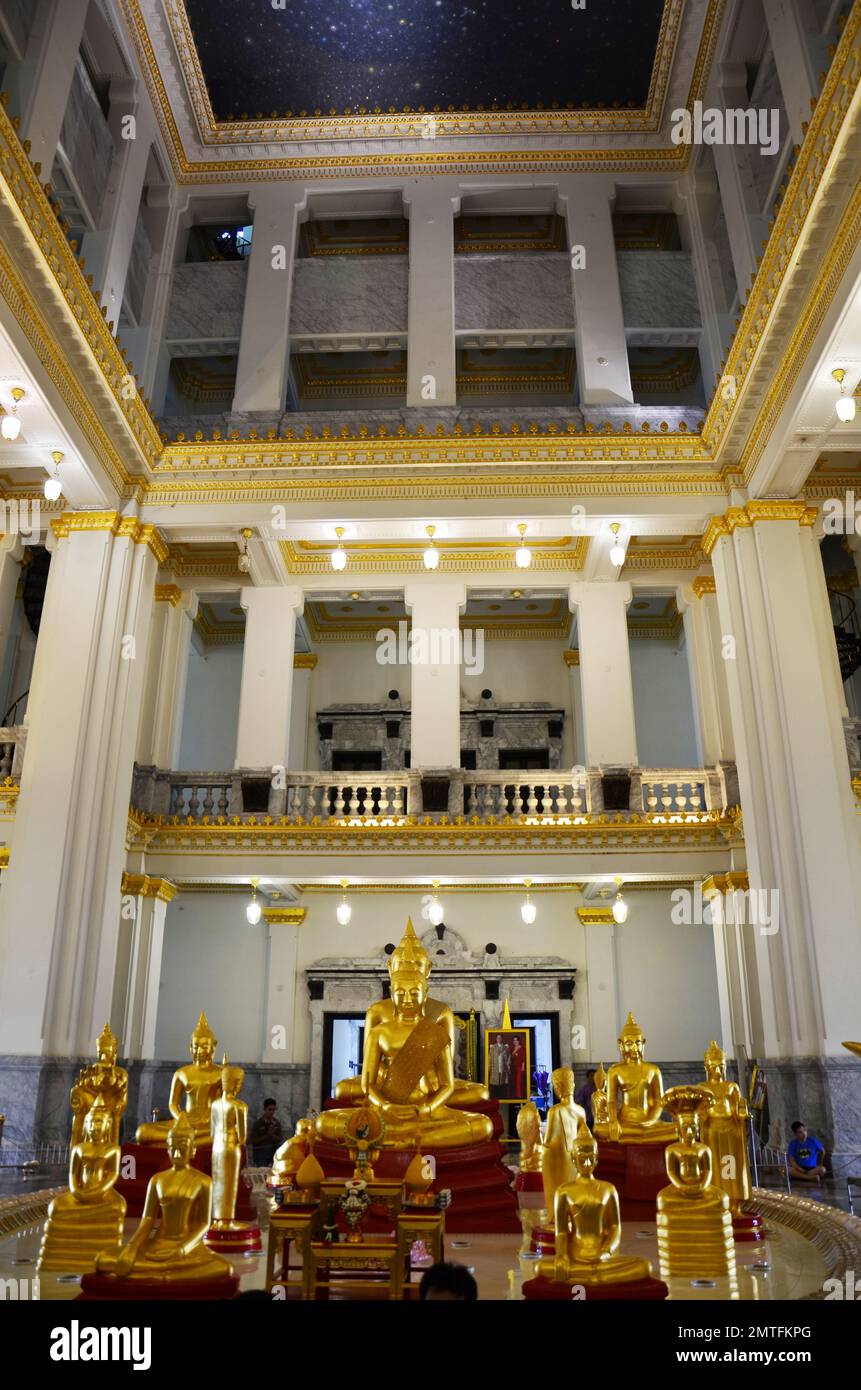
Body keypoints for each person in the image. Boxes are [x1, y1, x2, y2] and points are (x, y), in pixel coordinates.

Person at [250, 1098, 284, 1166]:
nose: (272, 1112)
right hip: (260, 1156)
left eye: (273, 1110)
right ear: (265, 1109)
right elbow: (253, 1140)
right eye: (269, 1109)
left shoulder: (276, 1123)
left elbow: (280, 1139)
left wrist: (272, 1136)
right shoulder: (258, 1124)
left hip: (273, 1155)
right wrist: (267, 1135)